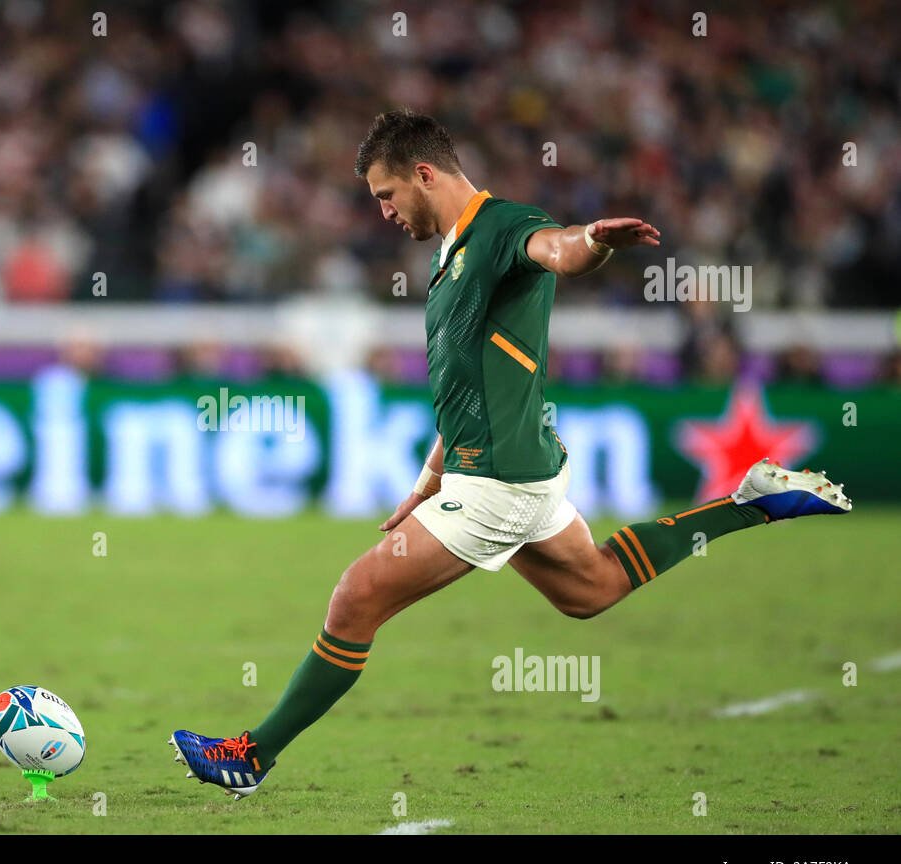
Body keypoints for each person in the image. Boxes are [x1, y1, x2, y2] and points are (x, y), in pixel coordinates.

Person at [170, 111, 852, 798]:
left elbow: (557, 249)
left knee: (355, 598)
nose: (382, 212)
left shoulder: (503, 227)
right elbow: (467, 379)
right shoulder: (449, 250)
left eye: (386, 195)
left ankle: (251, 754)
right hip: (513, 472)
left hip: (499, 482)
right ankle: (749, 505)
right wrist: (430, 477)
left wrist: (594, 240)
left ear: (424, 174)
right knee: (594, 588)